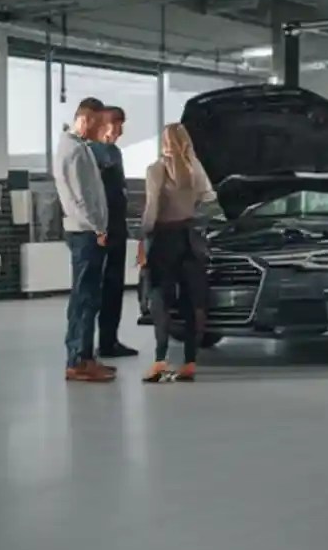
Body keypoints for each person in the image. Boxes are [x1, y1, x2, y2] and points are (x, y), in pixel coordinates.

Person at [139, 123, 216, 383]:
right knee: (190, 302)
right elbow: (209, 198)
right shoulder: (195, 168)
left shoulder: (156, 170)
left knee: (160, 300)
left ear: (164, 143)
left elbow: (151, 210)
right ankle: (190, 363)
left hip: (164, 240)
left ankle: (160, 361)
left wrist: (143, 236)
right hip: (190, 239)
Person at [54, 99, 114, 383]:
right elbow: (80, 199)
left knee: (89, 296)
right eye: (100, 123)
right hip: (85, 233)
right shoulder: (74, 151)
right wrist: (98, 228)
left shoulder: (79, 147)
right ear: (86, 119)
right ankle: (78, 360)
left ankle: (85, 356)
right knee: (84, 298)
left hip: (87, 231)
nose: (103, 129)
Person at [95, 106, 138, 358]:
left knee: (114, 287)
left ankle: (110, 340)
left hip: (118, 227)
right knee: (98, 289)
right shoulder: (92, 152)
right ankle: (88, 347)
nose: (121, 130)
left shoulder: (115, 152)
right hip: (102, 228)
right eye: (117, 124)